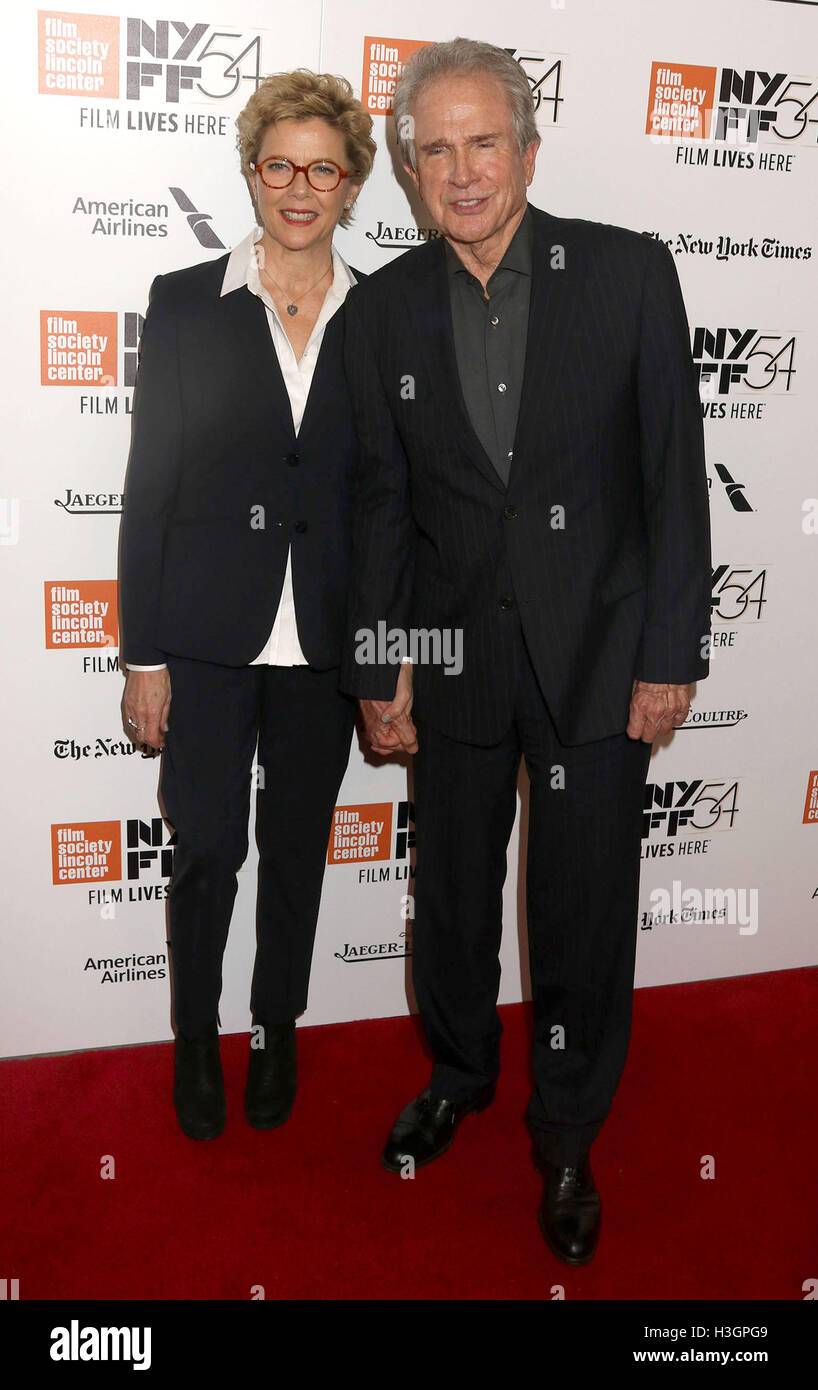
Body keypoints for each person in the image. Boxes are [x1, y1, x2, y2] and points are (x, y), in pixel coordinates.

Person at [340, 38, 711, 1264]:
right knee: (447, 895)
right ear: (407, 166)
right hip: (449, 660)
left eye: (480, 142)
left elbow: (671, 482)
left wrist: (669, 652)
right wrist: (382, 668)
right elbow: (382, 505)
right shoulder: (382, 307)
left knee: (582, 908)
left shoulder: (625, 274)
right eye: (433, 148)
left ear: (526, 148)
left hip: (601, 655)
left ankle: (565, 1131)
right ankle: (457, 1074)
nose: (460, 171)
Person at [119, 70, 375, 1141]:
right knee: (209, 849)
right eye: (280, 164)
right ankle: (194, 1041)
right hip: (207, 634)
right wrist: (143, 655)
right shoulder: (186, 301)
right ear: (251, 172)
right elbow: (152, 483)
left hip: (321, 639)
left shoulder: (386, 315)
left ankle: (275, 1030)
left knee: (298, 849)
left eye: (322, 166)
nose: (299, 186)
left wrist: (384, 657)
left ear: (353, 181)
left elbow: (390, 505)